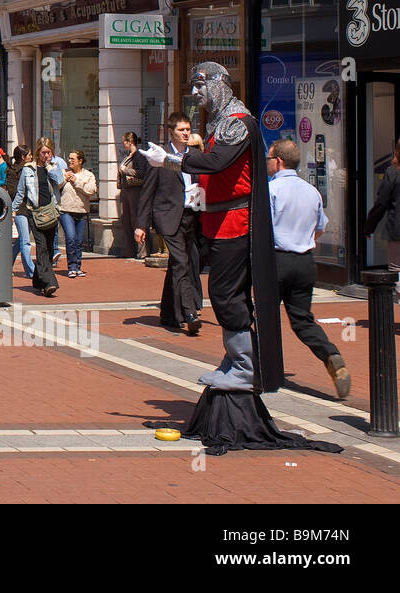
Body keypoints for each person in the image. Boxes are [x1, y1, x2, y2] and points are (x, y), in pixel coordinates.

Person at [144, 62, 339, 455]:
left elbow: (218, 164)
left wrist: (171, 160)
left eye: (201, 86)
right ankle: (237, 363)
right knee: (224, 293)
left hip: (235, 221)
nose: (196, 94)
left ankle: (244, 367)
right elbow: (214, 169)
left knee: (225, 294)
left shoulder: (238, 121)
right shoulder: (221, 121)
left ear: (219, 84)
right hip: (220, 219)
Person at [267, 140, 350, 398]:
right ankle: (331, 354)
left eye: (269, 158)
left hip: (277, 259)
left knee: (263, 316)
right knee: (302, 320)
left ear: (278, 161)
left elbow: (261, 228)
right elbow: (321, 226)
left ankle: (263, 371)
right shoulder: (311, 191)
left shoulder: (271, 189)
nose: (267, 162)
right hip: (305, 261)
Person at [137, 113, 203, 332]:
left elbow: (201, 185)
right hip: (167, 216)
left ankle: (167, 313)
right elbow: (147, 192)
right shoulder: (160, 156)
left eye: (188, 129)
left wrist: (202, 208)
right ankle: (190, 312)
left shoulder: (195, 155)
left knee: (179, 263)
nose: (186, 133)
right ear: (171, 132)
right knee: (182, 261)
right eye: (181, 130)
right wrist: (141, 224)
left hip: (190, 215)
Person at [11, 139, 63, 297]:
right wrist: (13, 210)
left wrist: (48, 166)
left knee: (47, 248)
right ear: (37, 153)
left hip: (51, 212)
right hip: (35, 213)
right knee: (41, 247)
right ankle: (49, 283)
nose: (46, 155)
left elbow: (59, 182)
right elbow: (21, 192)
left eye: (49, 152)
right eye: (43, 153)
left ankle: (37, 281)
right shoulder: (28, 169)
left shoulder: (54, 168)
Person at [58, 150, 98, 278]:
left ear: (80, 161)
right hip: (66, 210)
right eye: (69, 158)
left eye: (73, 159)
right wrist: (64, 179)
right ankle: (71, 267)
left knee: (78, 241)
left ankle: (78, 266)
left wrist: (76, 182)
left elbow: (91, 190)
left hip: (81, 211)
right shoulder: (64, 173)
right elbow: (55, 186)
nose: (70, 161)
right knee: (70, 238)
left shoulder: (88, 175)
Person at [364, 139, 400, 274]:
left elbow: (381, 203)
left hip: (397, 232)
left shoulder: (393, 172)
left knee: (397, 271)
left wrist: (369, 226)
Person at [119, 132, 150, 259]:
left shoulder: (139, 155)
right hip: (126, 190)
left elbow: (142, 172)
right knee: (126, 220)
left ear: (129, 141)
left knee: (136, 220)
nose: (123, 144)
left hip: (135, 191)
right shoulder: (130, 155)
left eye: (124, 142)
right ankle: (130, 250)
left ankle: (142, 251)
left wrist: (126, 171)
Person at [5, 145, 34, 282]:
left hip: (31, 207)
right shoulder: (12, 171)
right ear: (23, 157)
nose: (31, 157)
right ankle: (31, 271)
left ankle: (6, 264)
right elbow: (12, 191)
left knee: (21, 241)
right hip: (19, 208)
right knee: (25, 242)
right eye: (29, 155)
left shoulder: (31, 169)